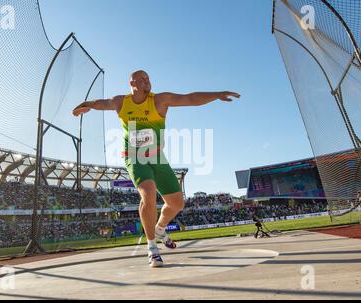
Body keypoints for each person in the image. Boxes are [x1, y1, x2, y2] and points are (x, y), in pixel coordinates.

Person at [73, 70, 240, 267]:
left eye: (148, 78)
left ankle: (160, 228)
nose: (147, 81)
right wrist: (85, 105)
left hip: (157, 156)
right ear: (131, 83)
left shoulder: (160, 100)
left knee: (177, 203)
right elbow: (102, 103)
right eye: (141, 78)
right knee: (148, 194)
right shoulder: (121, 102)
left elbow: (190, 98)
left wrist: (216, 94)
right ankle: (152, 247)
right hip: (134, 157)